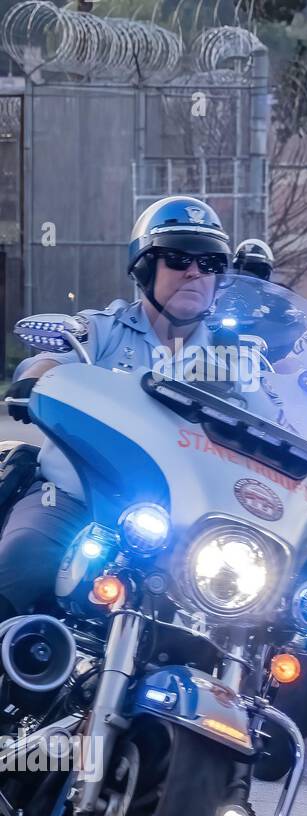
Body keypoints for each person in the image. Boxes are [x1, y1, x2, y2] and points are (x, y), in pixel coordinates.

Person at [2, 195, 232, 622]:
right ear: (145, 267)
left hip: (179, 527)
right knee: (19, 562)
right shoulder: (105, 329)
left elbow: (277, 415)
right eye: (179, 258)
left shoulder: (231, 358)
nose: (195, 272)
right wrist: (36, 378)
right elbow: (58, 354)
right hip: (76, 500)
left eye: (210, 264)